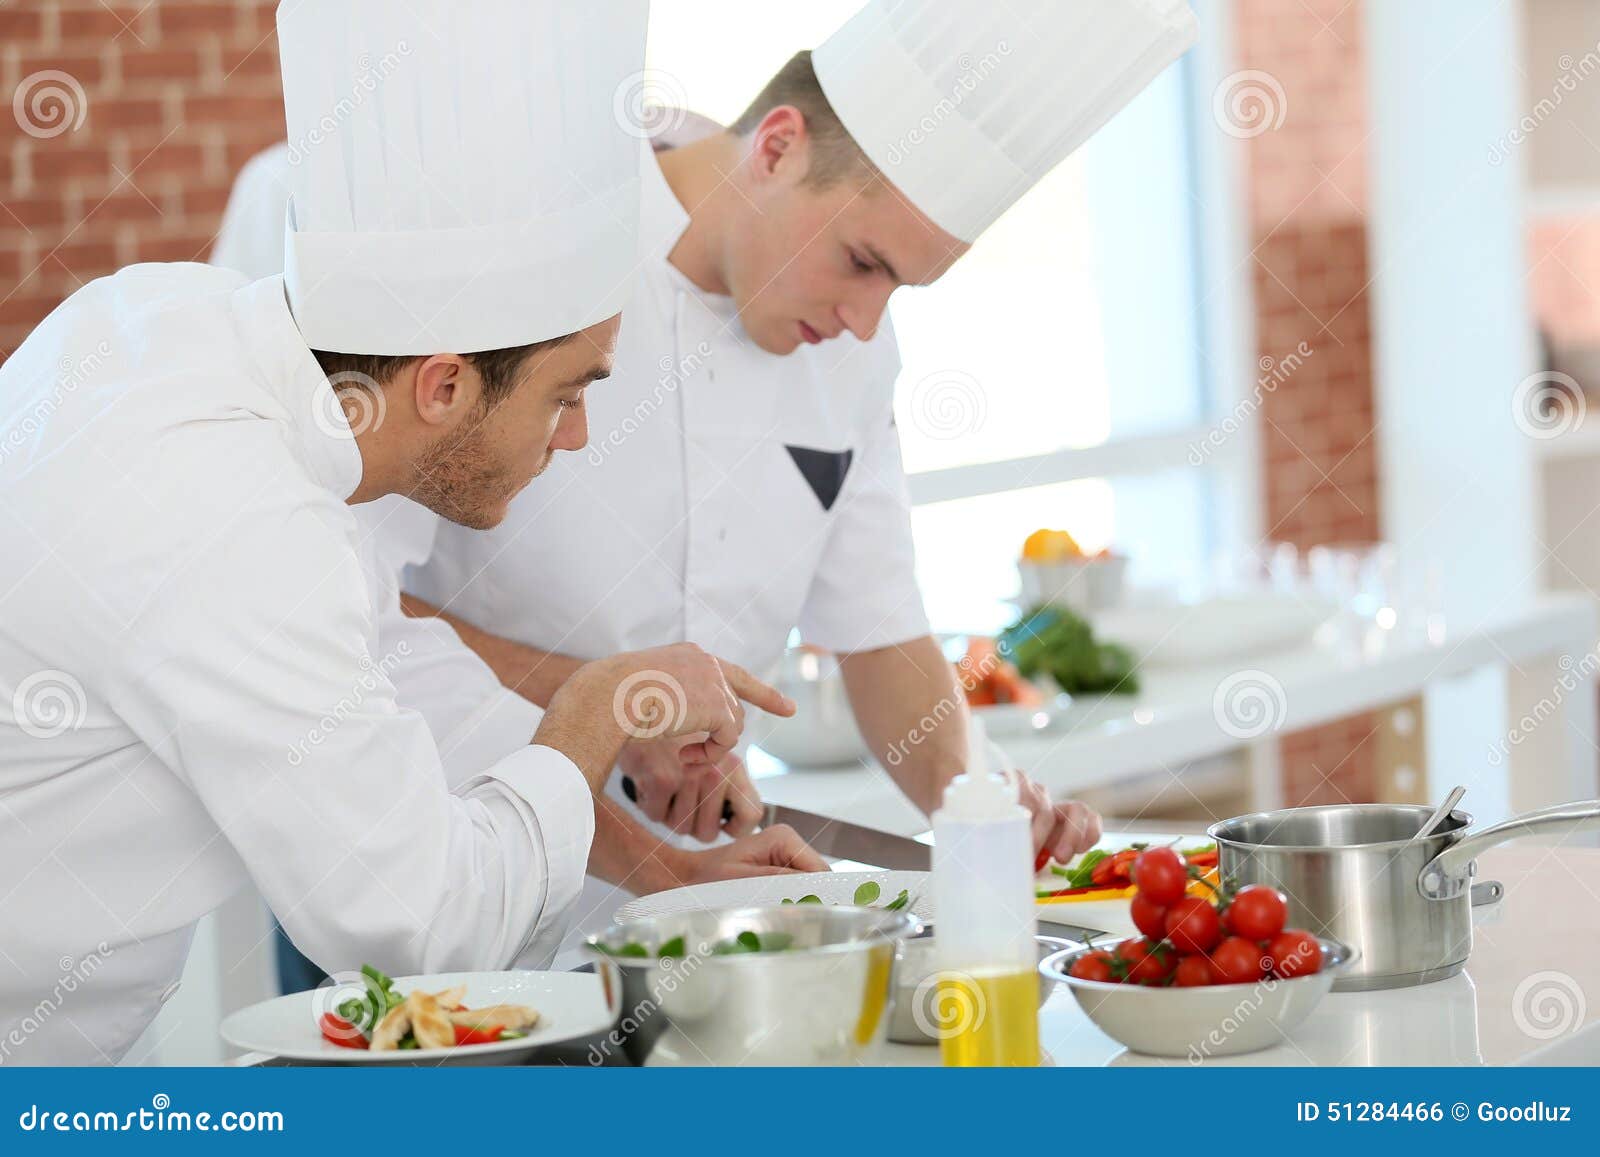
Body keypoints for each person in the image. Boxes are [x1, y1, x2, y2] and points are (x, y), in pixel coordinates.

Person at [214, 1, 1198, 938]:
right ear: (776, 146)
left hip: (695, 892)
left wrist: (984, 804)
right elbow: (353, 604)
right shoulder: (544, 247)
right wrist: (612, 703)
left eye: (901, 285)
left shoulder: (853, 349)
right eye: (862, 260)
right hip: (437, 859)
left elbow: (879, 629)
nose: (864, 319)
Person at [0, 0, 813, 1065]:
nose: (575, 440)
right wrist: (595, 707)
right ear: (441, 384)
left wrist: (667, 872)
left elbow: (384, 671)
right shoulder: (241, 524)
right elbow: (422, 928)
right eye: (568, 394)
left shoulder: (164, 320)